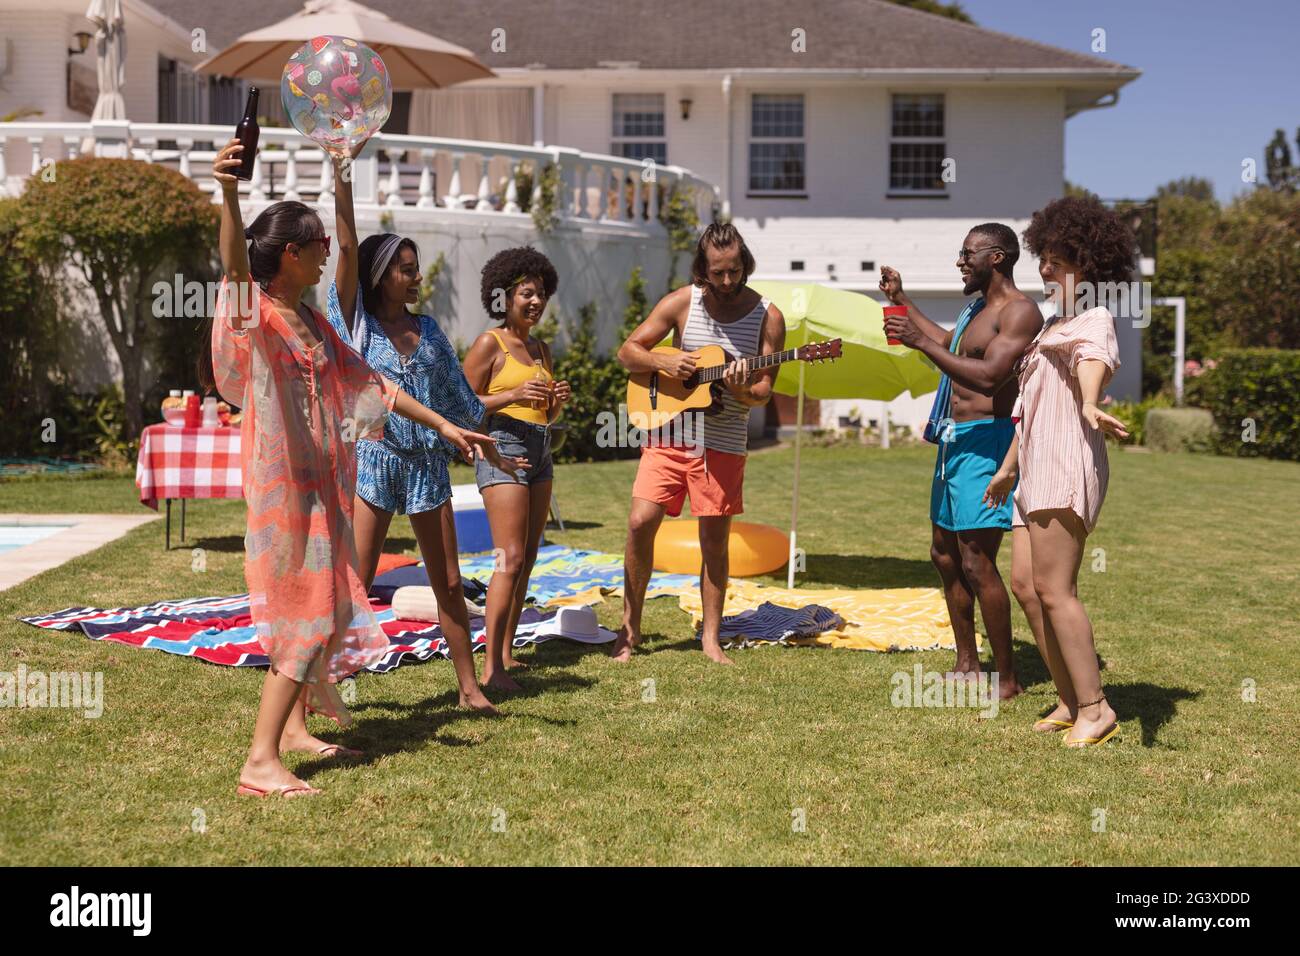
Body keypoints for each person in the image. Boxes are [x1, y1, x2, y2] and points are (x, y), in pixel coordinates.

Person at [207, 140, 504, 797]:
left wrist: (448, 426)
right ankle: (259, 761)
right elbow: (231, 274)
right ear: (291, 253)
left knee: (323, 605)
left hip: (322, 488)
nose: (325, 252)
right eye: (315, 243)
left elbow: (377, 387)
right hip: (284, 492)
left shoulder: (313, 321)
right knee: (308, 612)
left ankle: (290, 733)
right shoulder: (260, 317)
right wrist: (227, 193)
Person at [326, 149, 526, 715]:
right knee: (357, 580)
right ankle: (325, 684)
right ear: (380, 275)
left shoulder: (430, 329)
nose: (417, 276)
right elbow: (345, 244)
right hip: (376, 458)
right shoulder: (354, 322)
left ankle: (469, 689)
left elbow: (462, 405)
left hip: (427, 467)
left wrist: (501, 443)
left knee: (450, 581)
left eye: (416, 267)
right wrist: (341, 167)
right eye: (406, 268)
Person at [984, 197, 1132, 747]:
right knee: (1026, 586)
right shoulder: (1052, 324)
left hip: (1067, 465)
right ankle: (1070, 699)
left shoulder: (1094, 319)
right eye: (1042, 257)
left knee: (1055, 588)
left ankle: (1097, 708)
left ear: (1087, 265)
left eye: (1057, 259)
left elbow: (1094, 358)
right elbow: (1029, 410)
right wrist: (1006, 472)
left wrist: (1091, 403)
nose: (1044, 268)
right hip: (1031, 471)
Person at [881, 223, 1043, 699]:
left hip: (988, 442)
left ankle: (1007, 679)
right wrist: (903, 300)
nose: (959, 261)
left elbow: (991, 377)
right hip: (954, 441)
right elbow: (950, 342)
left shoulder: (1020, 312)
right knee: (945, 556)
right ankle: (967, 662)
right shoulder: (977, 308)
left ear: (996, 258)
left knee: (976, 559)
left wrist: (920, 342)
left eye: (967, 254)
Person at [611, 222, 785, 665]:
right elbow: (628, 352)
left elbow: (764, 391)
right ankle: (629, 631)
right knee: (638, 522)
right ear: (702, 269)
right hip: (669, 435)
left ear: (744, 264)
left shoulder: (769, 316)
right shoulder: (682, 302)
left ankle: (710, 638)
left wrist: (743, 389)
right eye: (717, 273)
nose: (727, 281)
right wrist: (665, 362)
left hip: (723, 442)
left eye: (734, 271)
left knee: (714, 542)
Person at [463, 248, 570, 692]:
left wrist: (556, 399)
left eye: (541, 294)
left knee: (525, 558)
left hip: (540, 450)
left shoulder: (541, 349)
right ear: (504, 296)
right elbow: (461, 405)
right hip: (502, 448)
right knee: (508, 559)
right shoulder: (491, 343)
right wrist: (510, 396)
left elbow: (542, 410)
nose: (536, 302)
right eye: (527, 293)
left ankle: (505, 653)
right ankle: (491, 669)